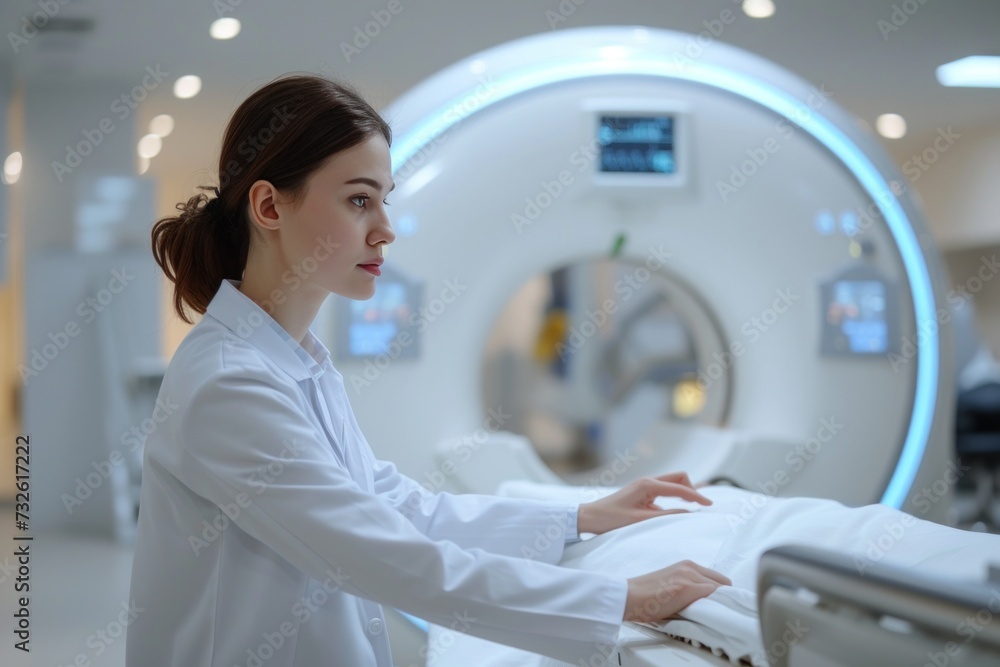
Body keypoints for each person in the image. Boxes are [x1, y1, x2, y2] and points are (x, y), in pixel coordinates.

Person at [126, 73, 730, 667]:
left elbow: (398, 509)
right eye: (359, 200)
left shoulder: (294, 361)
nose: (385, 230)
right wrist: (624, 598)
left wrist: (581, 516)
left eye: (382, 201)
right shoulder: (229, 383)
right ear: (268, 206)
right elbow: (381, 555)